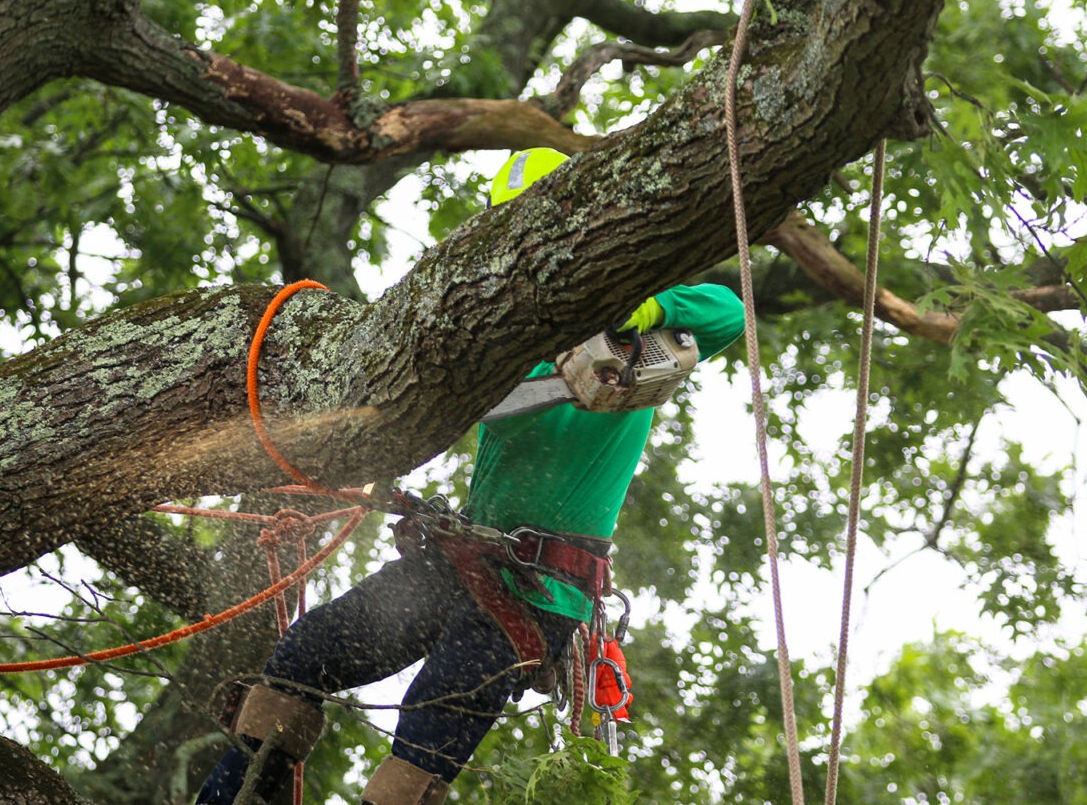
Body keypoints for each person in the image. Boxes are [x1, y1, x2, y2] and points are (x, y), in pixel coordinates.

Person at [195, 148, 745, 805]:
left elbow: (727, 313)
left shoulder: (632, 333)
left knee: (428, 729)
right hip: (458, 561)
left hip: (540, 594)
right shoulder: (501, 332)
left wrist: (645, 310)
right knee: (304, 654)